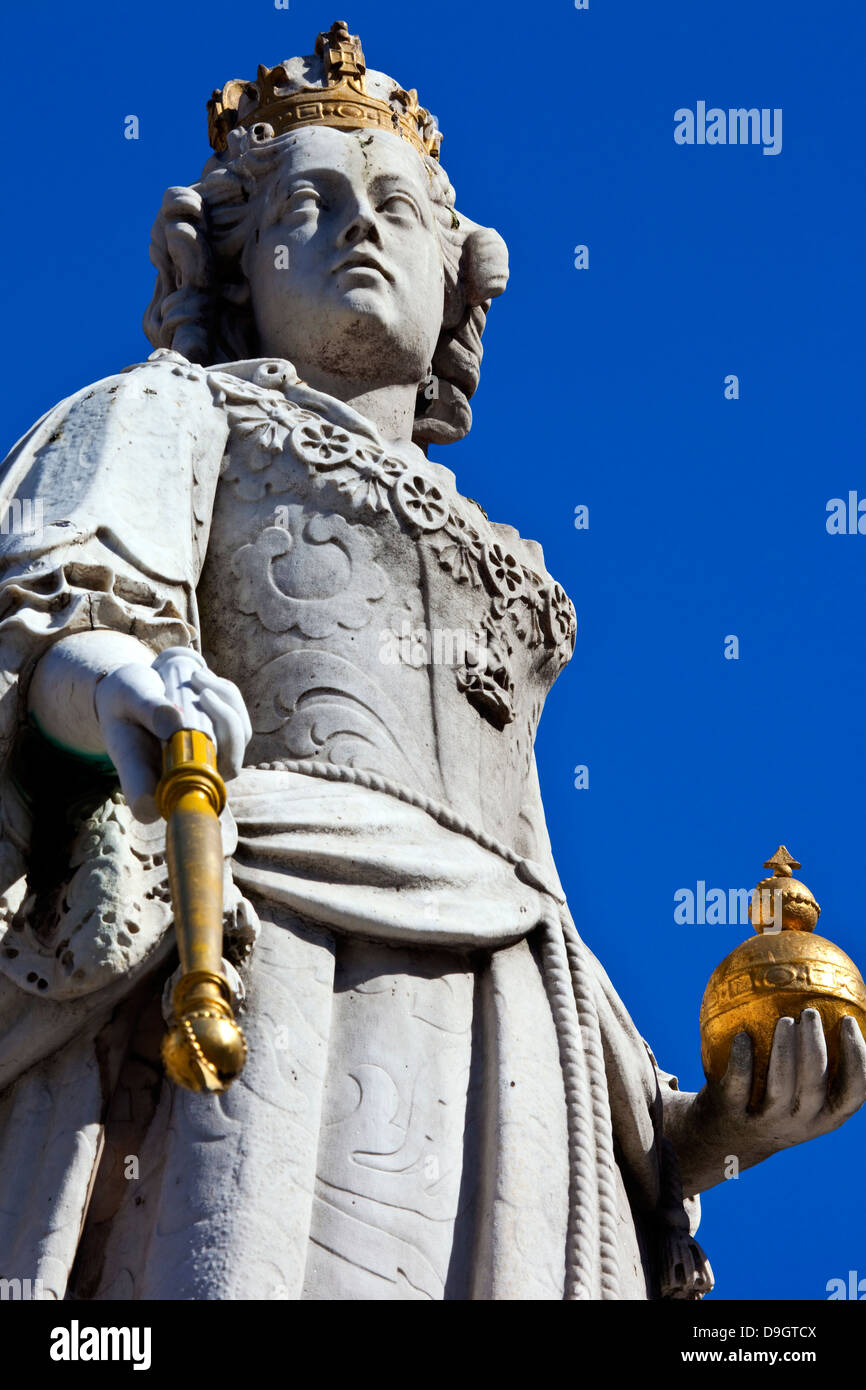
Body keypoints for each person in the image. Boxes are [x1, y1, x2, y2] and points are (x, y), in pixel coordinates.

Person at [0, 22, 862, 1301]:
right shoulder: (171, 410)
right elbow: (47, 634)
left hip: (524, 1034)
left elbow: (527, 872)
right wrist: (119, 690)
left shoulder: (503, 558)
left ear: (458, 277)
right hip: (268, 951)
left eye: (398, 206)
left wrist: (700, 1132)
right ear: (226, 263)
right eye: (310, 201)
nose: (360, 227)